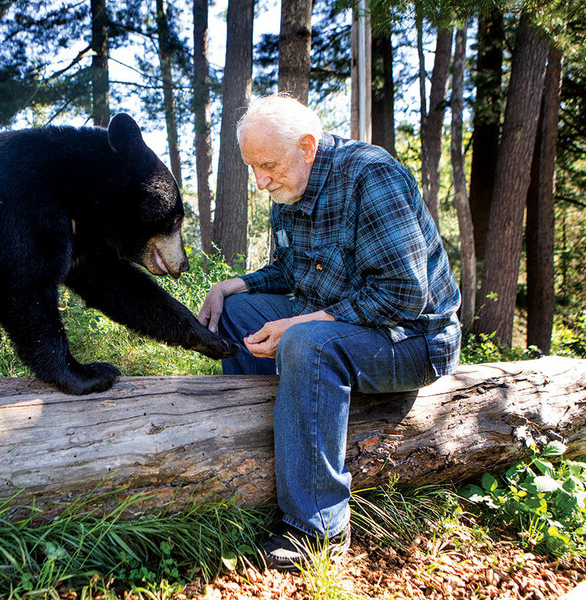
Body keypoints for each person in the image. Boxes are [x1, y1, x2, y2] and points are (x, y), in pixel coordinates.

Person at [198, 94, 461, 571]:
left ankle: (318, 527)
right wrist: (231, 285)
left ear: (307, 147)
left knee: (306, 343)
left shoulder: (370, 175)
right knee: (237, 313)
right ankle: (262, 461)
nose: (260, 182)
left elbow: (404, 294)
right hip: (340, 325)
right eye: (253, 168)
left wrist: (300, 324)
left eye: (268, 166)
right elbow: (290, 272)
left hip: (413, 338)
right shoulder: (288, 189)